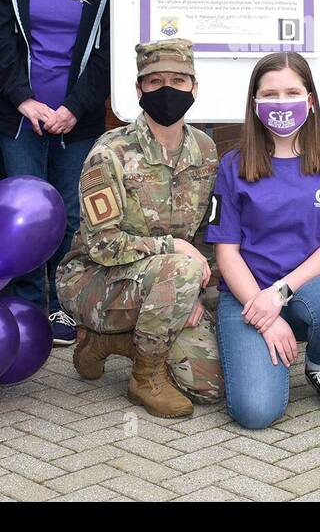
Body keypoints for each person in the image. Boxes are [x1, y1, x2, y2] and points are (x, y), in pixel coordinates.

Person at [57, 40, 221, 418]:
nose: (167, 89)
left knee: (209, 385)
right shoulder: (110, 153)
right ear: (138, 90)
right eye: (155, 81)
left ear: (194, 88)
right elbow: (102, 245)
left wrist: (189, 292)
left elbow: (203, 239)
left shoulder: (206, 150)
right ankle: (145, 376)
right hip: (93, 282)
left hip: (168, 282)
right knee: (181, 267)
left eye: (178, 80)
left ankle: (109, 343)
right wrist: (175, 256)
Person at [0, 0, 111, 343]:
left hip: (77, 118)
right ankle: (25, 303)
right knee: (23, 213)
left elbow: (107, 50)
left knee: (72, 215)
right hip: (22, 118)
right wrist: (25, 101)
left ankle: (63, 304)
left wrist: (75, 107)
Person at [209, 53, 320, 428]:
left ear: (310, 100)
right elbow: (226, 251)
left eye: (292, 92)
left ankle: (317, 365)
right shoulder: (233, 164)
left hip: (306, 291)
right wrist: (264, 315)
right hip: (247, 296)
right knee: (256, 413)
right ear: (255, 103)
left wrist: (278, 296)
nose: (281, 103)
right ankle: (268, 345)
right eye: (270, 94)